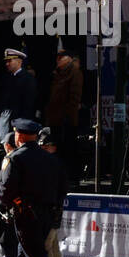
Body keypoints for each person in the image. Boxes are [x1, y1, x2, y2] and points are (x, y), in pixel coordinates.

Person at [0, 119, 70, 257]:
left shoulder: (16, 158)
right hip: (47, 214)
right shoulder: (51, 159)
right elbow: (63, 188)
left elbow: (4, 191)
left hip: (26, 215)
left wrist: (15, 205)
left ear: (18, 135)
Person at [46, 49, 83, 179]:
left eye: (61, 57)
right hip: (55, 119)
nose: (58, 60)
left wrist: (68, 117)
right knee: (58, 149)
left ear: (68, 58)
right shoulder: (57, 73)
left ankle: (71, 177)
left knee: (68, 149)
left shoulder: (74, 72)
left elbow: (74, 97)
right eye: (57, 57)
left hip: (66, 120)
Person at [0, 49, 37, 140]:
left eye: (9, 61)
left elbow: (29, 104)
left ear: (19, 61)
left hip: (20, 123)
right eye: (6, 61)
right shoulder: (6, 78)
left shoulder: (28, 79)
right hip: (6, 121)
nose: (7, 64)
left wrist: (22, 124)